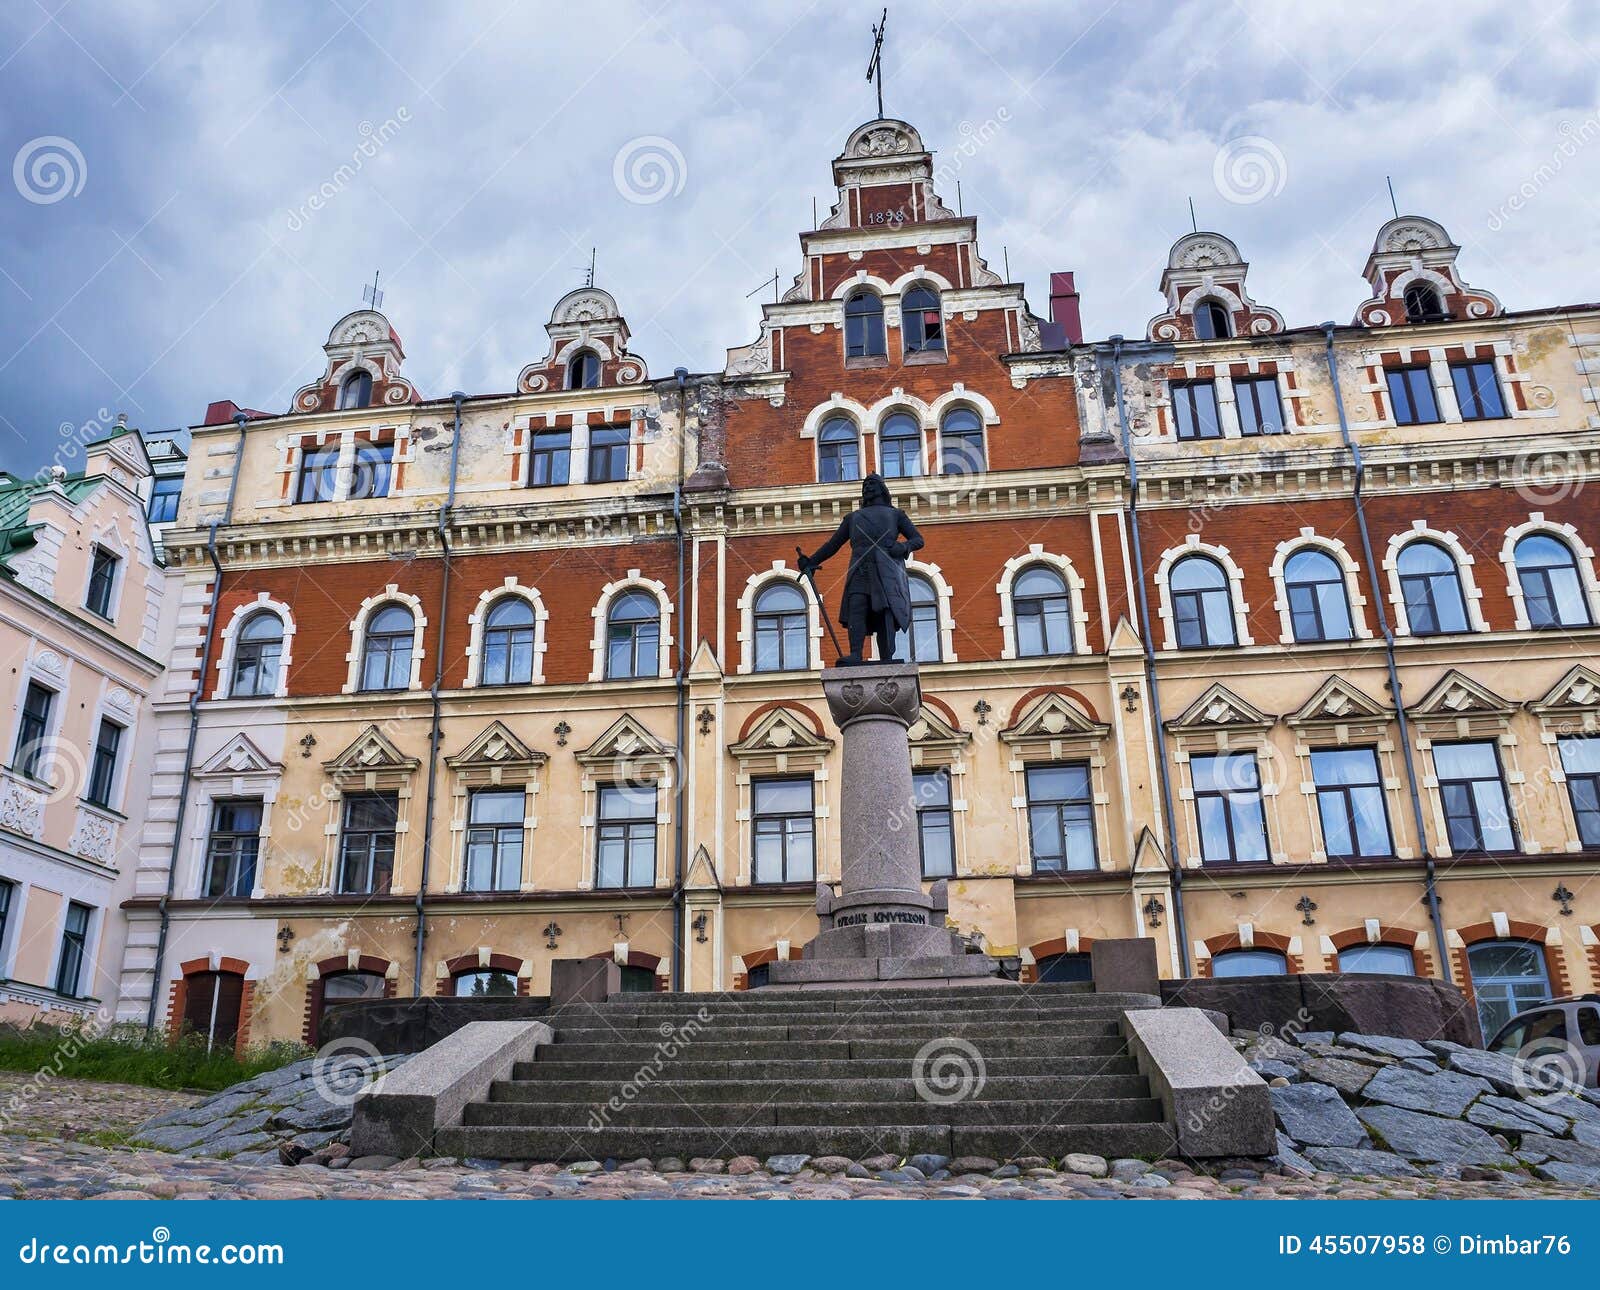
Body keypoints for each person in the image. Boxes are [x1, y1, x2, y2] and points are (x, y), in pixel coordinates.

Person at [798, 474, 924, 665]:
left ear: (882, 489)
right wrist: (811, 561)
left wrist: (903, 547)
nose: (867, 488)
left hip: (886, 570)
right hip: (860, 568)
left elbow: (917, 539)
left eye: (872, 484)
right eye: (865, 485)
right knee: (857, 607)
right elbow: (833, 544)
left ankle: (886, 658)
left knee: (884, 612)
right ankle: (855, 654)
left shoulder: (896, 515)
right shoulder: (853, 518)